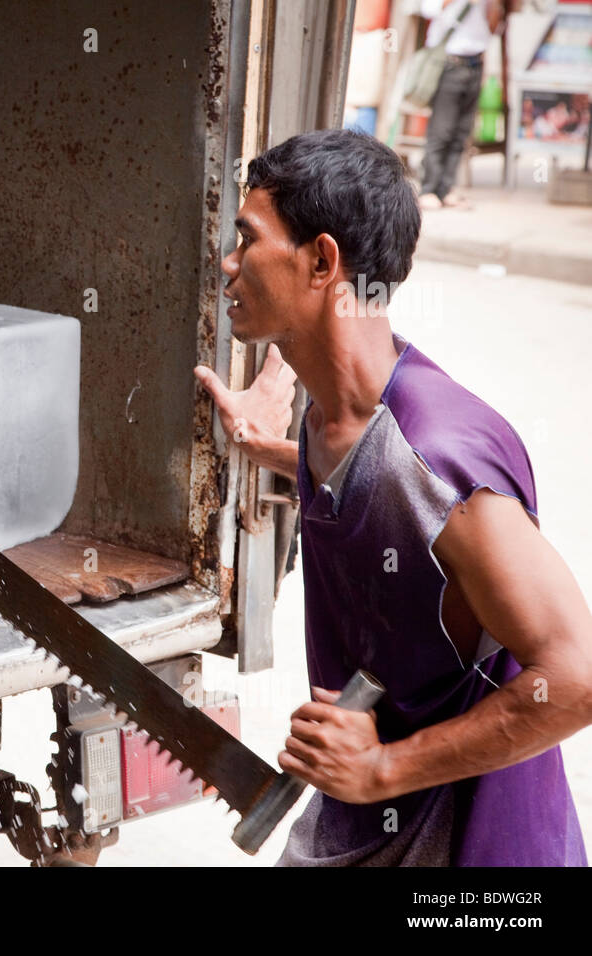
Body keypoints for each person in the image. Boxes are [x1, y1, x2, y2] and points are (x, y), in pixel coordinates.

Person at [193, 128, 590, 866]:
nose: (229, 261)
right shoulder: (334, 416)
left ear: (321, 261)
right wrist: (268, 451)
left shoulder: (442, 459)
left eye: (247, 237)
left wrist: (382, 769)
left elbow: (574, 678)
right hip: (367, 831)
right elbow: (374, 486)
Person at [417, 0, 507, 209]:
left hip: (476, 62)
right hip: (450, 63)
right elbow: (427, 9)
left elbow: (493, 27)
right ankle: (428, 188)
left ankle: (446, 188)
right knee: (441, 130)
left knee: (461, 133)